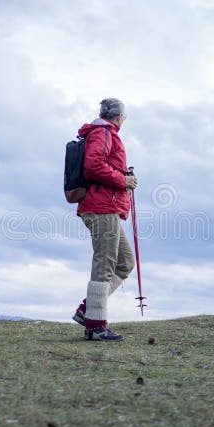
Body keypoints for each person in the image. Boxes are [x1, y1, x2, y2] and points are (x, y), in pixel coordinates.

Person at [72, 98, 137, 341]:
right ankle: (96, 326)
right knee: (105, 264)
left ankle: (87, 309)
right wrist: (123, 180)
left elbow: (100, 164)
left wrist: (124, 176)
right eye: (125, 116)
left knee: (125, 263)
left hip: (107, 207)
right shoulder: (103, 133)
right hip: (102, 207)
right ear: (119, 117)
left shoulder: (104, 134)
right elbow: (93, 166)